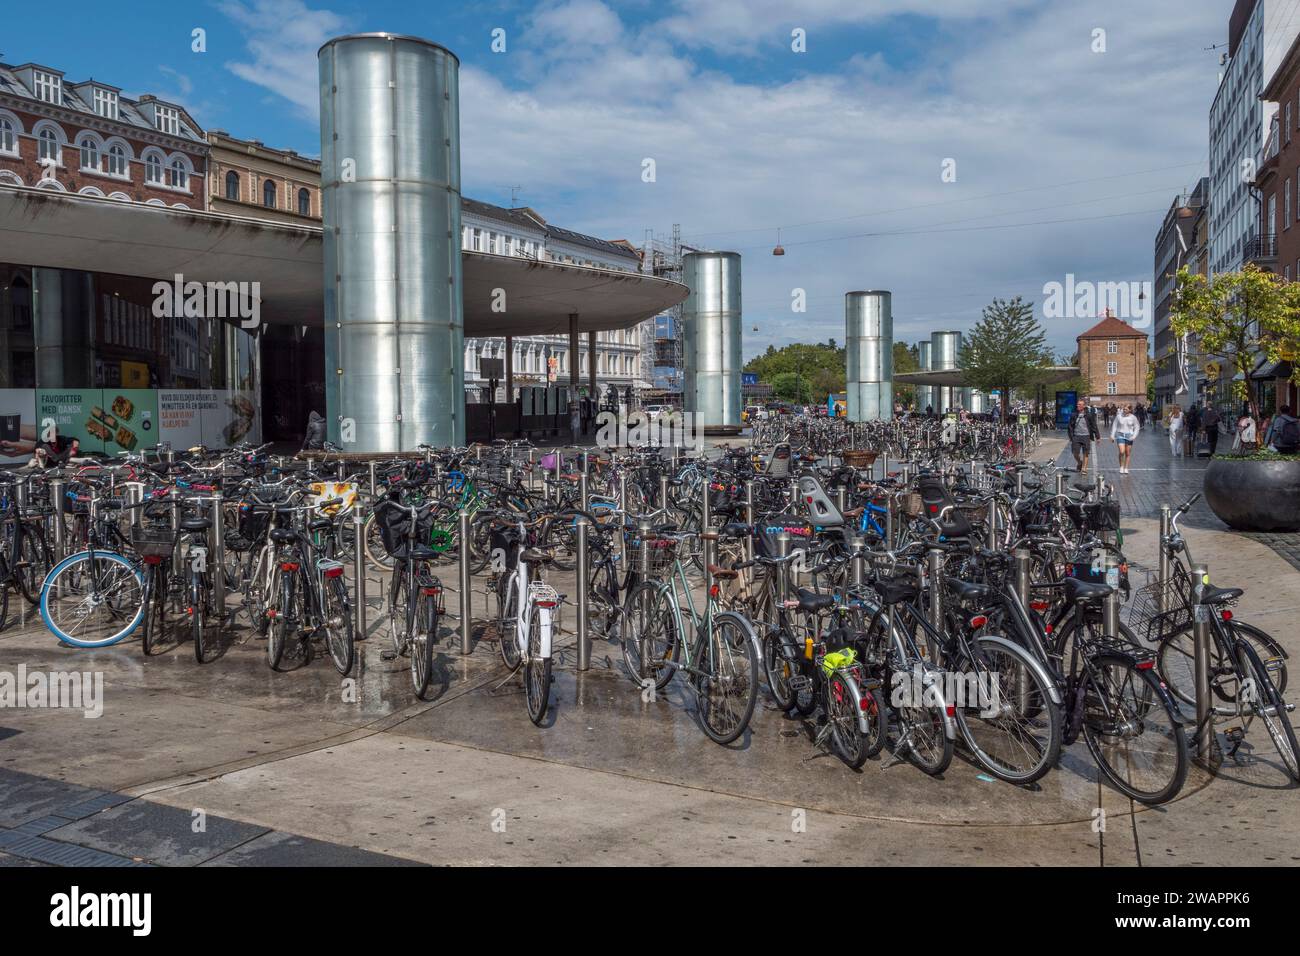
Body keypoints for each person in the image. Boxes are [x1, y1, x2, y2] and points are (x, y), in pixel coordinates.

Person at [1110, 403, 1140, 474]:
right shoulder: (1119, 416)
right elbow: (1114, 426)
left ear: (1130, 410)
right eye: (1123, 409)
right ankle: (1121, 467)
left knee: (1127, 453)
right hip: (1120, 435)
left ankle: (1126, 468)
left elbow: (1137, 427)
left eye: (1126, 409)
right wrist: (1112, 435)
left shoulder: (1133, 417)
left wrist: (1134, 436)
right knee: (1121, 451)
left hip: (1129, 436)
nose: (1124, 410)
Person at [1069, 400, 1099, 472]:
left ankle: (1084, 468)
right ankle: (1079, 462)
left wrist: (1098, 436)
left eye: (1079, 404)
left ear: (1083, 406)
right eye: (1077, 404)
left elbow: (1094, 426)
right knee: (1075, 453)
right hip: (1076, 436)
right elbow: (1070, 426)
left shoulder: (1089, 415)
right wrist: (1071, 437)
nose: (1078, 406)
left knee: (1086, 452)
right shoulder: (1074, 415)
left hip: (1086, 436)